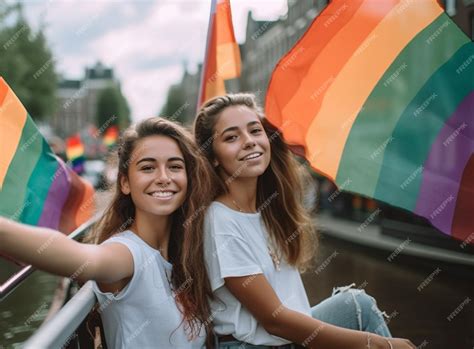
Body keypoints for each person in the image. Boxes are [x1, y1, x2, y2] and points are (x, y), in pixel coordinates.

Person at [194, 93, 416, 349]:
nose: (249, 142)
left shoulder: (268, 212)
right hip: (251, 346)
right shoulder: (219, 220)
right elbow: (275, 321)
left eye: (255, 131)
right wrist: (376, 344)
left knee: (357, 304)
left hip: (283, 341)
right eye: (231, 137)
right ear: (213, 156)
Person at [0, 117, 216, 348]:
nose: (164, 177)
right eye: (148, 167)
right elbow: (82, 257)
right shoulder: (127, 254)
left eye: (174, 166)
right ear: (125, 183)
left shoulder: (184, 252)